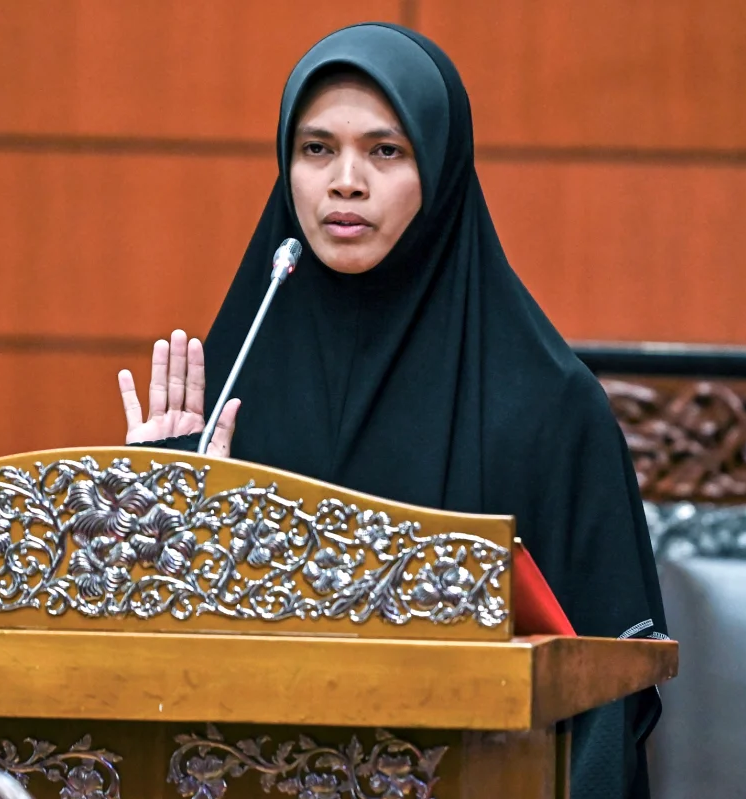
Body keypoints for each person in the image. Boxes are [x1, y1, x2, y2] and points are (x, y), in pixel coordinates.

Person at [116, 22, 668, 799]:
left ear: (438, 172)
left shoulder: (549, 406)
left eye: (386, 150)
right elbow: (148, 674)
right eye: (316, 149)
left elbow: (608, 695)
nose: (345, 181)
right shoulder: (233, 375)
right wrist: (157, 502)